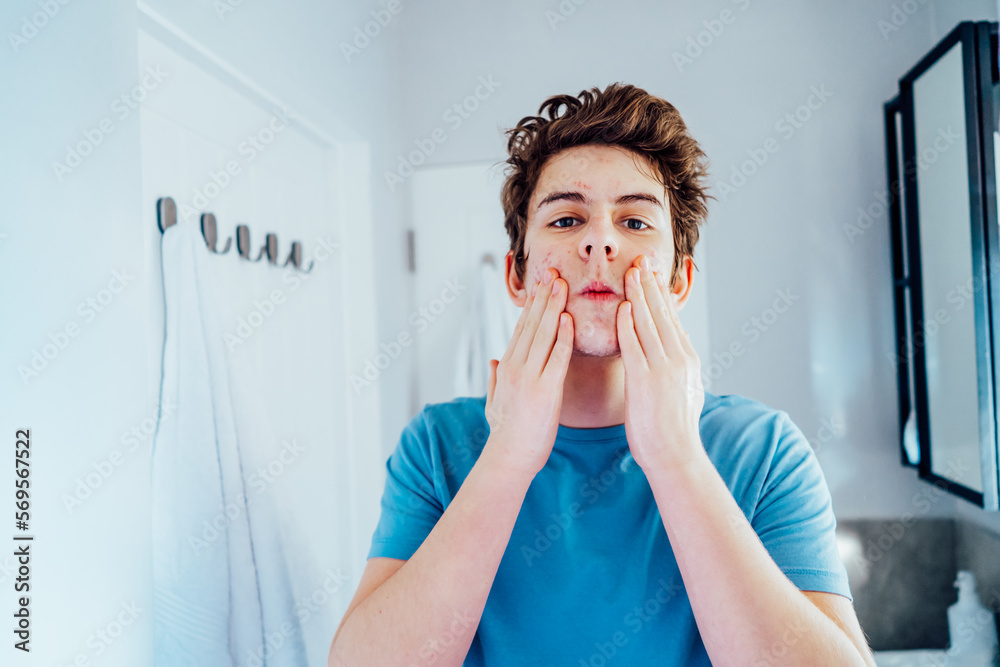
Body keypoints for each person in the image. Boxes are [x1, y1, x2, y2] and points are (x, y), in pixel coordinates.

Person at [328, 82, 877, 666]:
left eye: (636, 222)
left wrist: (677, 459)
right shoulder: (437, 448)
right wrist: (508, 458)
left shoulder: (764, 451)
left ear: (679, 281)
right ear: (517, 277)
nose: (599, 240)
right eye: (566, 220)